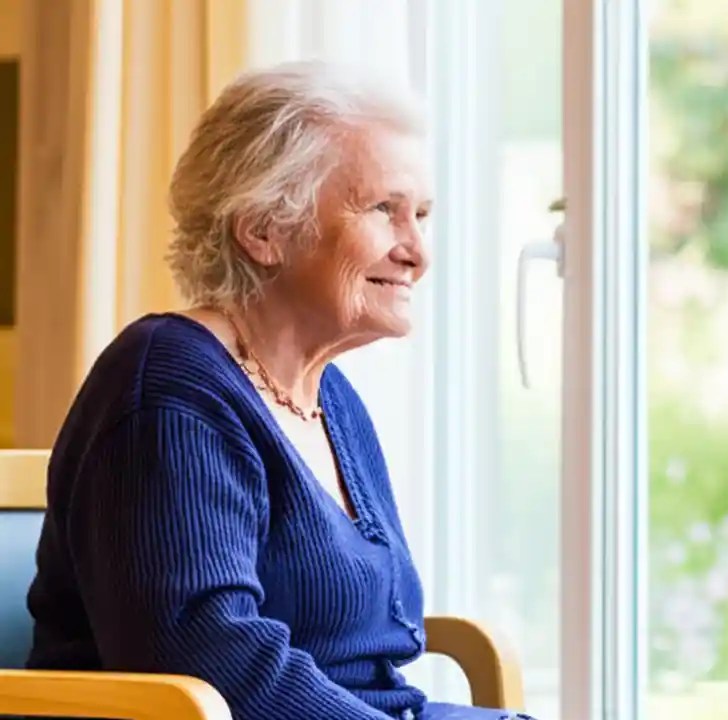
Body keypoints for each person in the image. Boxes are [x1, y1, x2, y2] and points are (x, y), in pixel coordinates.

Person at [24, 61, 535, 720]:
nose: (417, 251)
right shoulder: (167, 394)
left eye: (422, 216)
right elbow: (208, 657)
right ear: (264, 228)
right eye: (384, 210)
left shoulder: (329, 395)